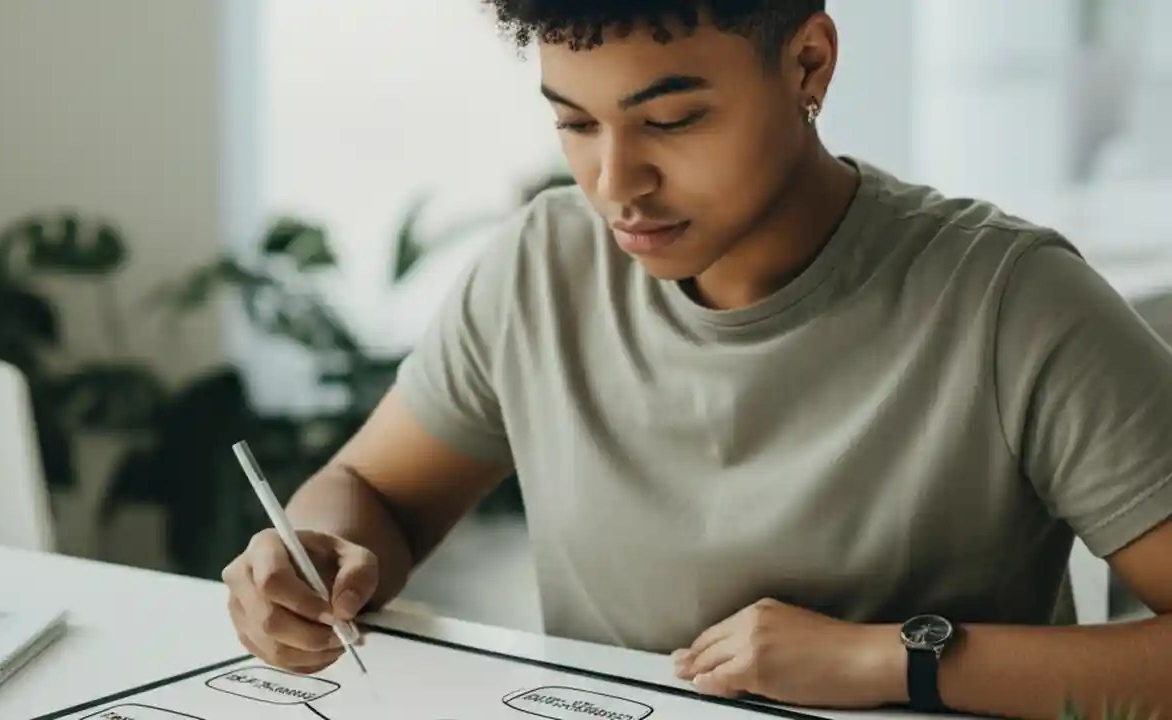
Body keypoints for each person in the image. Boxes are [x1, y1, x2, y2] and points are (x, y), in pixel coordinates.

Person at [221, 2, 1172, 716]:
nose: (614, 184)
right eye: (576, 123)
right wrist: (314, 557)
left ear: (809, 61)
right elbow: (373, 491)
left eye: (671, 122)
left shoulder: (1011, 300)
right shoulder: (542, 264)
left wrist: (894, 660)